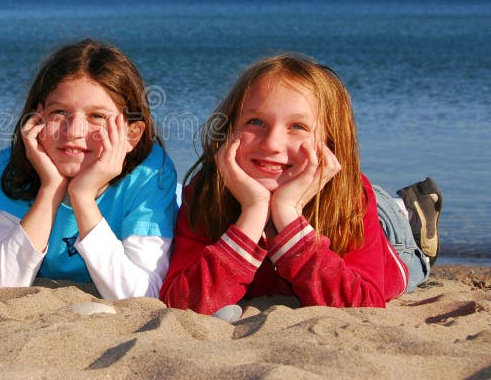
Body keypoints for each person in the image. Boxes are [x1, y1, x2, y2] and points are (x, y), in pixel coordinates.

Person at [160, 53, 442, 314]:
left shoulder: (351, 197)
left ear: (330, 141)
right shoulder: (207, 191)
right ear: (230, 127)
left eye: (298, 126)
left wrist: (287, 213)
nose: (272, 144)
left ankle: (411, 211)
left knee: (413, 266)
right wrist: (254, 210)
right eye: (255, 122)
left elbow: (362, 305)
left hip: (386, 234)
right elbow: (182, 301)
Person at [0, 39, 179, 300]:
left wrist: (83, 196)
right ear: (37, 118)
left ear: (132, 134)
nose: (74, 131)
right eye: (60, 112)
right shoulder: (13, 165)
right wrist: (50, 190)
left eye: (97, 116)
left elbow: (141, 297)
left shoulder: (152, 174)